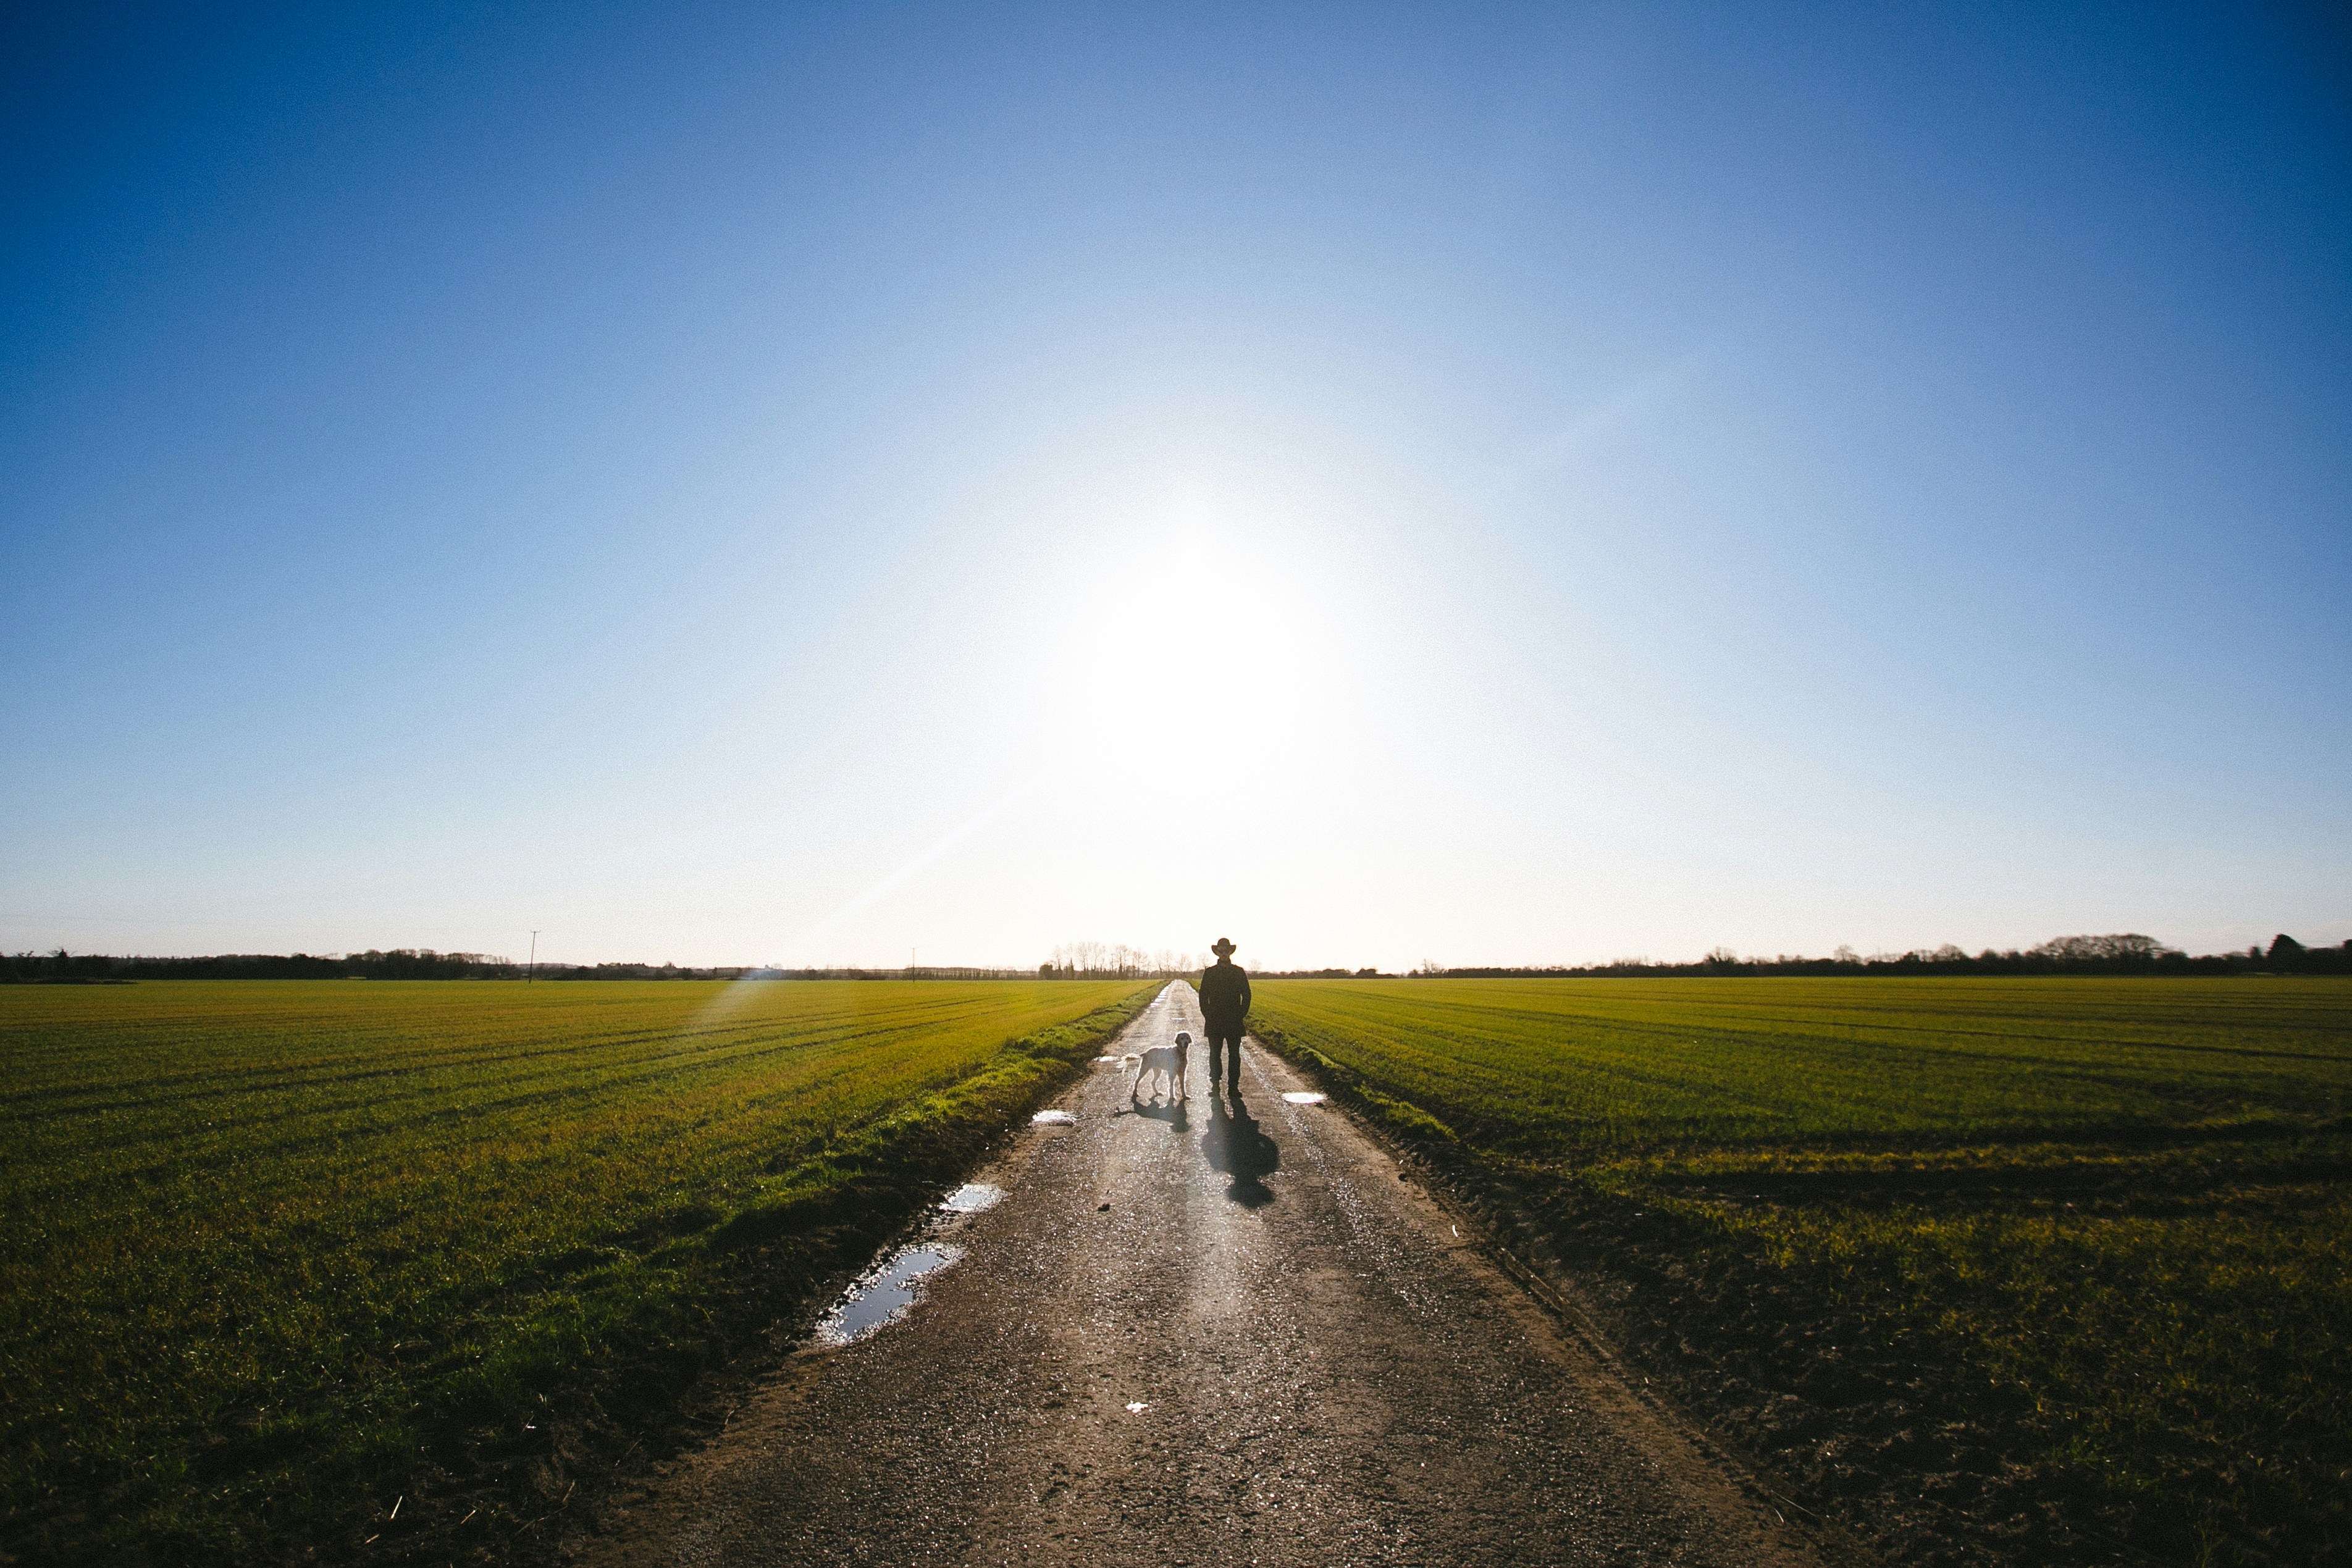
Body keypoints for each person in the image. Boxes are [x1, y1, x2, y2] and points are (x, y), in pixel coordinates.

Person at [1198, 937, 1252, 1085]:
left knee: (1234, 1055)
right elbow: (1203, 995)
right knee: (1215, 1054)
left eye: (1226, 951)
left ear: (1230, 952)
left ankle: (1233, 1085)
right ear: (1217, 952)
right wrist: (1207, 1014)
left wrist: (1241, 1014)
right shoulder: (1209, 973)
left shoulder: (1239, 972)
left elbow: (1247, 995)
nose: (1223, 953)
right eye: (1221, 951)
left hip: (1234, 1020)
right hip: (1214, 1020)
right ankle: (1215, 1082)